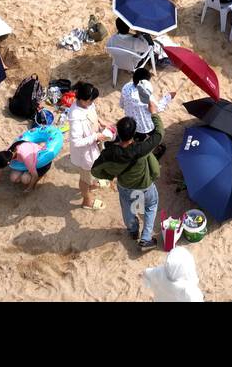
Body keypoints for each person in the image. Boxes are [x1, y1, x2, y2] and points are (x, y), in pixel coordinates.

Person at [92, 111, 165, 251]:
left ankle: (133, 230)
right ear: (134, 133)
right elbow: (159, 134)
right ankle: (146, 238)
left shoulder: (110, 153)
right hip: (145, 187)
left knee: (128, 208)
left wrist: (109, 175)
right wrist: (154, 114)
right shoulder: (141, 148)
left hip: (125, 187)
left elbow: (95, 170)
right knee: (151, 206)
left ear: (118, 133)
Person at [65, 81, 115, 210]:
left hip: (93, 143)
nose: (92, 103)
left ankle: (92, 184)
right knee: (84, 178)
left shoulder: (87, 104)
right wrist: (95, 137)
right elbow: (76, 142)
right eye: (91, 101)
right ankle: (86, 201)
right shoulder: (75, 116)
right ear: (83, 99)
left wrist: (102, 123)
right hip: (84, 152)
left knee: (91, 172)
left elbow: (92, 113)